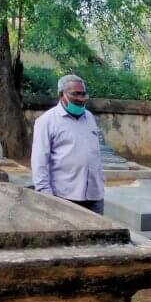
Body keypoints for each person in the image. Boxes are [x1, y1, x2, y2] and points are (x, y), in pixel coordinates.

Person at [31, 74, 105, 214]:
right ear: (61, 94)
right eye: (75, 94)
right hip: (64, 196)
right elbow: (39, 160)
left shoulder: (89, 117)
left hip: (94, 195)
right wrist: (45, 194)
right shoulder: (47, 121)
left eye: (83, 94)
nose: (81, 99)